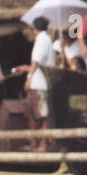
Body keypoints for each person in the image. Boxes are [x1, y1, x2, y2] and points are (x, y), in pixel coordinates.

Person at [24, 16, 56, 150]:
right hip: (39, 82)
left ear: (33, 28)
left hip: (39, 83)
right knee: (35, 115)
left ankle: (41, 144)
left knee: (41, 116)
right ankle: (34, 143)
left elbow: (36, 61)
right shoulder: (46, 39)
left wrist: (29, 78)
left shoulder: (42, 39)